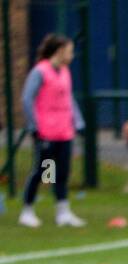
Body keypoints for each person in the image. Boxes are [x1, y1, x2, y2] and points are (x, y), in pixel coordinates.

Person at [17, 34, 85, 228]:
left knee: (62, 172)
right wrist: (35, 126)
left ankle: (63, 212)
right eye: (70, 51)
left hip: (64, 131)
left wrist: (78, 121)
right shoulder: (40, 72)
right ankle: (27, 210)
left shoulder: (65, 71)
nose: (72, 55)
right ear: (60, 51)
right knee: (43, 171)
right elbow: (27, 99)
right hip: (46, 133)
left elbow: (68, 98)